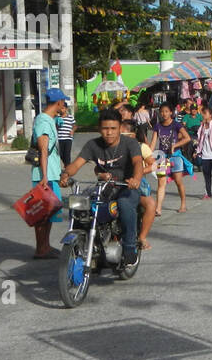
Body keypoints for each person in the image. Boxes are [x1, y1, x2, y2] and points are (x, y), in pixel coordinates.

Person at [60, 108, 144, 267]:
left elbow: (137, 162)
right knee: (82, 206)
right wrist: (66, 175)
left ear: (120, 127)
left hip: (127, 187)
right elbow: (76, 164)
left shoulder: (130, 144)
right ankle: (87, 243)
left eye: (113, 128)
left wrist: (136, 179)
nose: (109, 133)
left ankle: (129, 247)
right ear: (99, 129)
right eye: (105, 128)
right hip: (104, 187)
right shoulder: (92, 145)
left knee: (125, 204)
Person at [30, 89, 68, 258]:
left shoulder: (49, 119)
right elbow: (43, 150)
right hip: (45, 176)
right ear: (58, 102)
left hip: (51, 173)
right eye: (63, 102)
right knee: (42, 214)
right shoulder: (43, 122)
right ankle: (41, 248)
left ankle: (45, 246)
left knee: (50, 213)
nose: (64, 105)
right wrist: (45, 177)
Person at [122, 119, 158, 250]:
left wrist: (139, 173)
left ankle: (142, 237)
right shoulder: (111, 147)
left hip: (136, 182)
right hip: (115, 183)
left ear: (132, 135)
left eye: (122, 134)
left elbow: (153, 164)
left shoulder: (141, 147)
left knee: (150, 204)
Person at [152, 104, 192, 214]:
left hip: (175, 156)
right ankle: (158, 208)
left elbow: (187, 138)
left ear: (171, 113)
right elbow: (153, 144)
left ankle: (183, 204)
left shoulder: (176, 125)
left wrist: (175, 146)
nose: (164, 114)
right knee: (161, 183)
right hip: (162, 157)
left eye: (166, 111)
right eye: (162, 112)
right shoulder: (157, 127)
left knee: (178, 181)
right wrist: (148, 155)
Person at [54, 99, 76, 166]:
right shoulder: (58, 118)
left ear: (66, 109)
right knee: (60, 153)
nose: (61, 110)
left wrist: (72, 131)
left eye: (63, 108)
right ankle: (66, 164)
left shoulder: (70, 117)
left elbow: (75, 126)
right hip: (60, 138)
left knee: (67, 153)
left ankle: (67, 166)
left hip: (68, 138)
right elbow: (56, 127)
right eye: (60, 108)